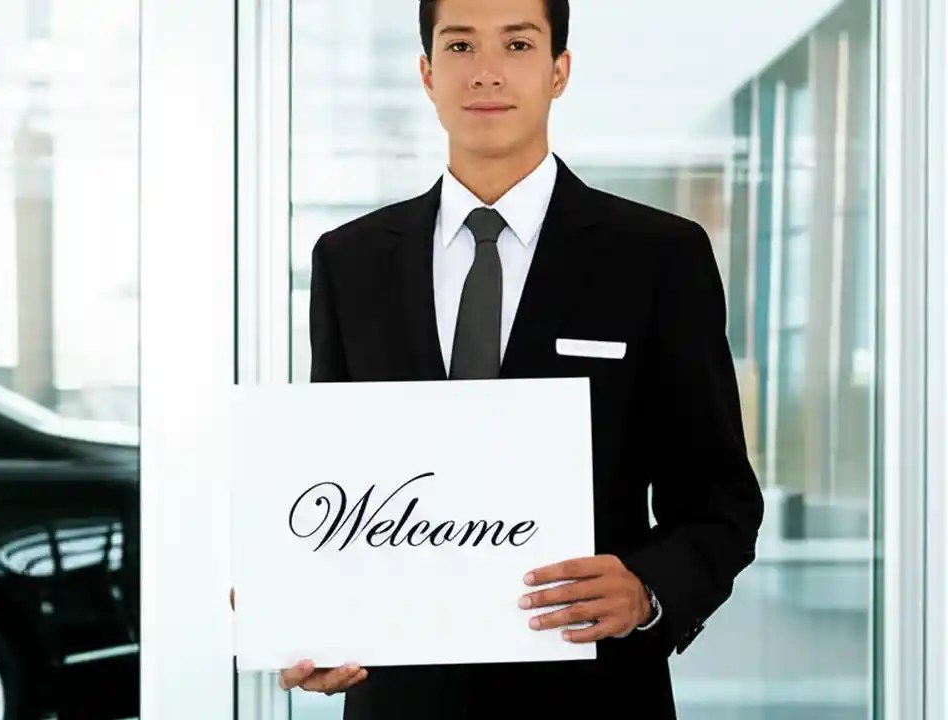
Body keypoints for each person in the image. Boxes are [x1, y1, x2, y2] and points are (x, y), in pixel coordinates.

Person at [234, 0, 765, 716]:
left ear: (559, 71)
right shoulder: (350, 262)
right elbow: (340, 491)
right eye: (459, 47)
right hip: (404, 702)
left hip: (592, 696)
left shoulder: (658, 257)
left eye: (517, 44)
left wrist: (647, 591)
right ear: (426, 74)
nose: (486, 72)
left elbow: (718, 501)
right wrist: (307, 615)